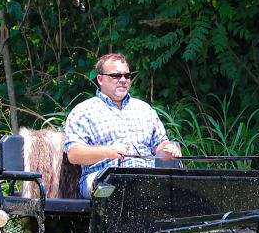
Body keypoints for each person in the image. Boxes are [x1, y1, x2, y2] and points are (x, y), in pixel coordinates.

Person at [63, 53, 183, 198]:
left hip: (146, 178)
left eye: (127, 76)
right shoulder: (83, 111)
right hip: (103, 179)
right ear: (100, 79)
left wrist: (168, 149)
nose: (123, 80)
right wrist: (107, 152)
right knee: (117, 187)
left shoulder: (144, 109)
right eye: (116, 76)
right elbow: (74, 155)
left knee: (181, 188)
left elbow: (159, 146)